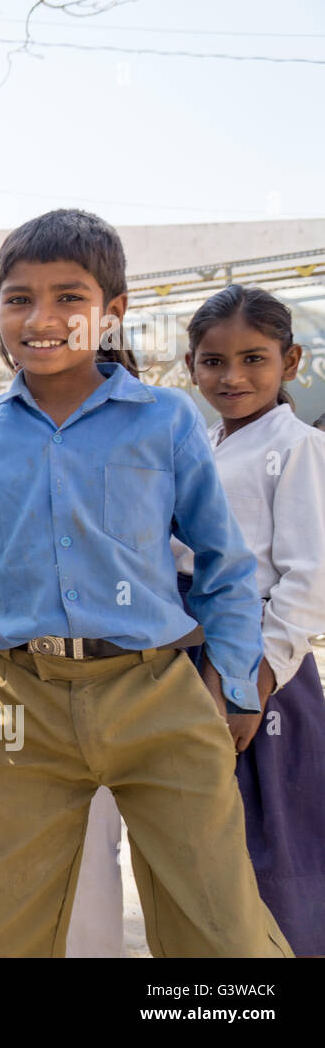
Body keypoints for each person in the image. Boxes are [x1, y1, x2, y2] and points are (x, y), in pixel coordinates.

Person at [0, 208, 292, 957]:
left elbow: (225, 564)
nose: (41, 317)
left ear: (111, 311)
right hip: (17, 704)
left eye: (69, 297)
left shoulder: (166, 421)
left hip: (156, 695)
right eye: (18, 298)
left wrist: (232, 682)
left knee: (219, 929)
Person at [176, 284, 325, 956]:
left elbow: (308, 576)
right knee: (210, 842)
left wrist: (254, 678)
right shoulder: (203, 443)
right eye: (213, 361)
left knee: (276, 838)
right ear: (191, 367)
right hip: (192, 659)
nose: (232, 376)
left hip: (261, 672)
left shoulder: (297, 447)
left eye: (254, 359)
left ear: (291, 361)